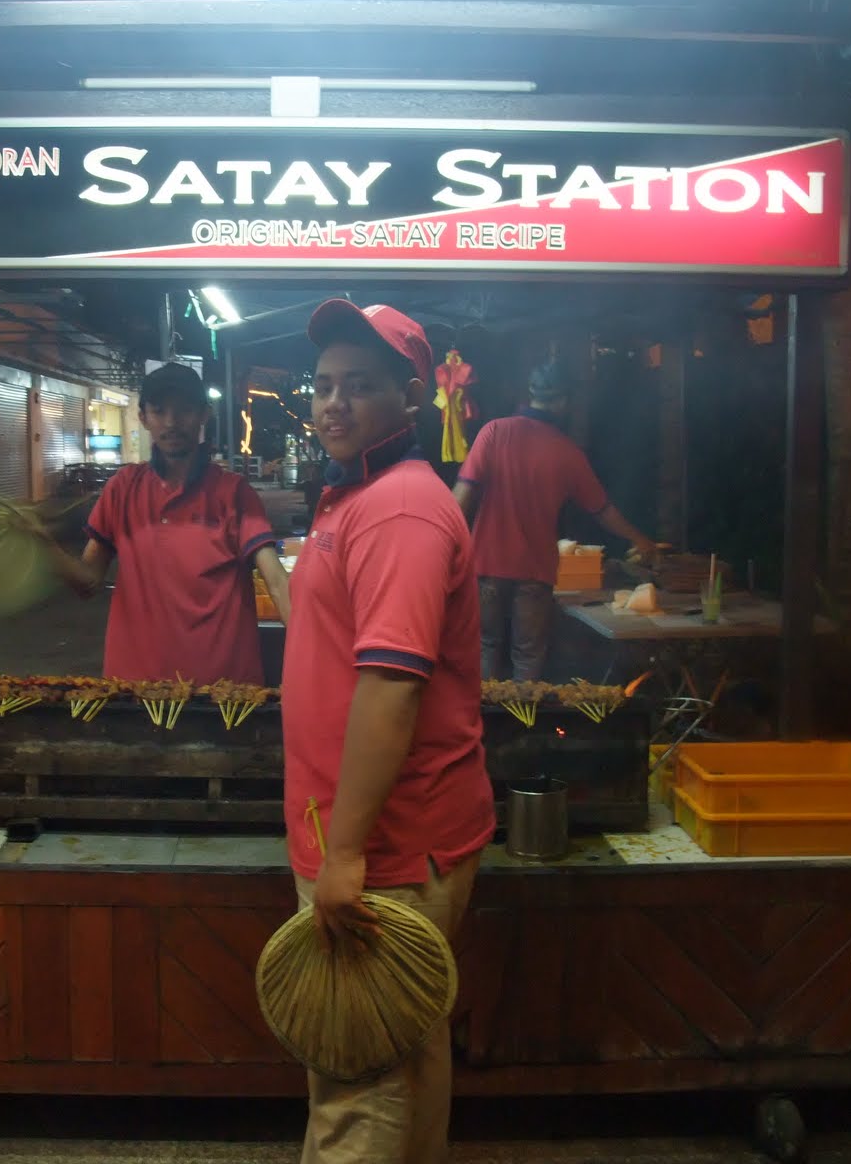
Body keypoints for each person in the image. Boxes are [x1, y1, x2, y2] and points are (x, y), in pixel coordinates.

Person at [282, 299, 495, 1164]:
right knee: (405, 1052)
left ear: (411, 398)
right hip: (376, 841)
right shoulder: (360, 495)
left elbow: (391, 689)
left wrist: (345, 856)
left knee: (357, 1077)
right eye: (324, 385)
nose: (334, 403)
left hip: (389, 849)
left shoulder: (400, 508)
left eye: (359, 387)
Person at [44, 361, 290, 683]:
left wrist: (317, 656)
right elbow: (89, 580)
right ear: (143, 417)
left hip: (224, 693)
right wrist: (41, 550)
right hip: (134, 689)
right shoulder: (122, 488)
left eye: (185, 410)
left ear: (204, 415)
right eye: (159, 411)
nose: (172, 422)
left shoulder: (234, 493)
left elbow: (276, 581)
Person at [453, 359, 657, 681]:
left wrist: (441, 550)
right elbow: (602, 509)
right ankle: (524, 722)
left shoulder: (493, 431)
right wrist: (640, 540)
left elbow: (462, 498)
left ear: (530, 393)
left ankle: (483, 726)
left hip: (487, 565)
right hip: (535, 572)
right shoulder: (567, 452)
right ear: (562, 401)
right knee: (528, 652)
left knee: (485, 645)